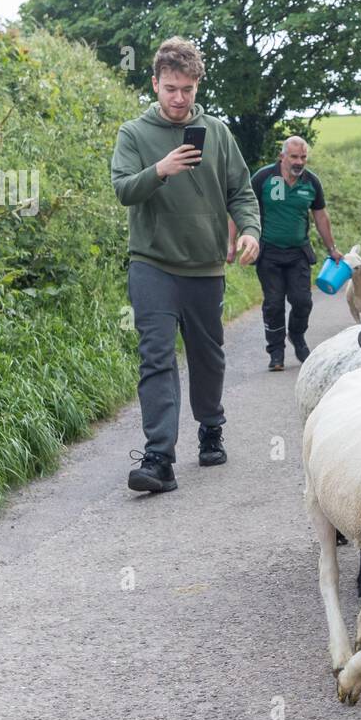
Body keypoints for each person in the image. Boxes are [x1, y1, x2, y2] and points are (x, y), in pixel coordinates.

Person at [111, 36, 261, 494]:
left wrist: (250, 230)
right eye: (170, 88)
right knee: (155, 358)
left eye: (188, 89)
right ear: (154, 83)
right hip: (152, 264)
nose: (179, 99)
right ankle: (159, 457)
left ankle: (211, 426)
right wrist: (161, 169)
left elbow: (241, 190)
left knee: (207, 356)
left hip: (205, 266)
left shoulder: (216, 132)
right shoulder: (134, 134)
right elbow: (122, 190)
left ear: (198, 87)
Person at [245, 136, 343, 371]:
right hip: (268, 251)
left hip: (298, 252)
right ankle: (276, 352)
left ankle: (297, 336)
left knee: (302, 301)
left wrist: (332, 248)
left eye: (303, 157)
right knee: (274, 304)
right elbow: (243, 206)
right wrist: (232, 243)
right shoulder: (264, 178)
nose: (299, 162)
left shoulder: (311, 182)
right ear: (282, 157)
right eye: (294, 157)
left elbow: (320, 216)